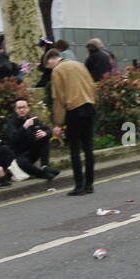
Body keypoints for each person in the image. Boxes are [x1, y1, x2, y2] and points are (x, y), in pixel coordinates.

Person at [49, 51, 98, 194]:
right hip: (89, 107)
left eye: (49, 65)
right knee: (88, 148)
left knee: (75, 149)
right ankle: (89, 184)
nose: (50, 68)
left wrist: (58, 123)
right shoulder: (80, 65)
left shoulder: (57, 70)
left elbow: (58, 98)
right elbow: (92, 86)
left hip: (74, 110)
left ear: (52, 60)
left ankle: (79, 185)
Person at [3, 97, 60, 180]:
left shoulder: (33, 120)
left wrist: (45, 133)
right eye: (19, 108)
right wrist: (24, 127)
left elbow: (48, 130)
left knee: (44, 137)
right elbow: (13, 139)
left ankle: (45, 166)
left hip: (31, 152)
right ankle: (42, 174)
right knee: (22, 162)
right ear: (15, 110)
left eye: (24, 107)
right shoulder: (11, 123)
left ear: (28, 108)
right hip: (18, 155)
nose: (22, 110)